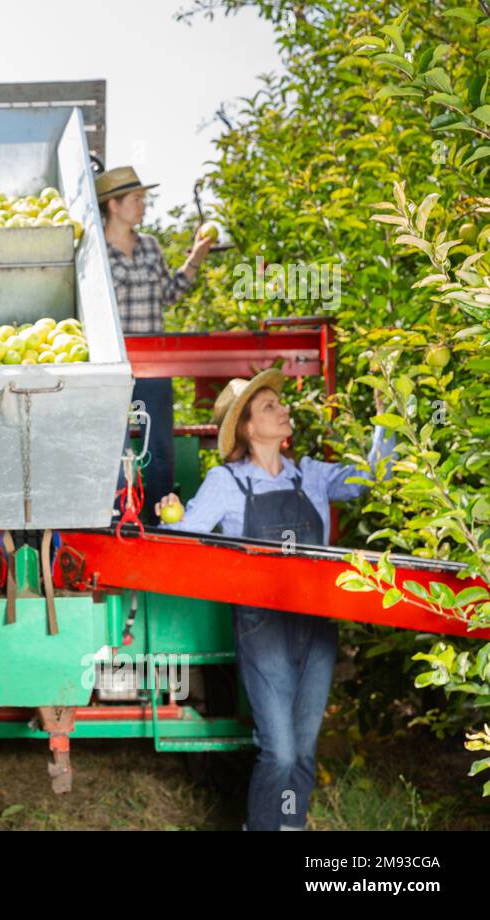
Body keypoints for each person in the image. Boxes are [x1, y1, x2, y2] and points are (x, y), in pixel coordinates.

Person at [155, 369, 396, 830]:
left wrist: (388, 419)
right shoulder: (226, 482)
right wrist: (170, 515)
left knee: (303, 751)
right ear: (247, 427)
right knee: (279, 750)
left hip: (317, 625)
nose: (284, 410)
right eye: (270, 406)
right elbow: (181, 542)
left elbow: (373, 480)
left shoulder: (313, 476)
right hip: (262, 626)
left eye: (280, 405)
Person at [97, 165, 213, 524]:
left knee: (159, 448)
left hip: (153, 365)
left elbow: (168, 295)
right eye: (136, 199)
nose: (143, 205)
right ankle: (117, 522)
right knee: (114, 449)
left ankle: (162, 524)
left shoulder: (150, 246)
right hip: (112, 366)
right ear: (114, 205)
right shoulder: (95, 251)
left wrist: (195, 259)